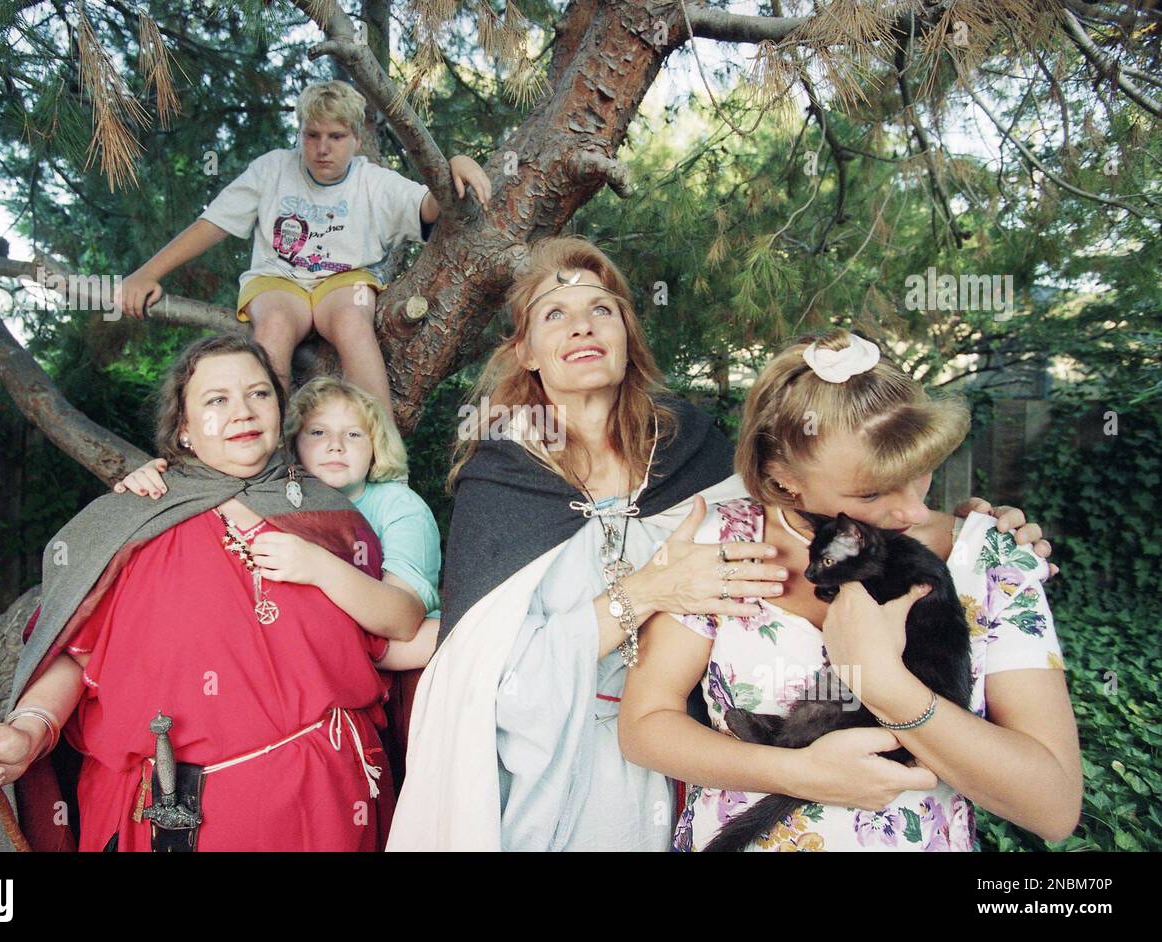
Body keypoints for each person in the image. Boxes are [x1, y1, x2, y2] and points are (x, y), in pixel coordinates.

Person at [385, 237, 1058, 851]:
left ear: (629, 334)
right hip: (560, 764)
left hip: (690, 761)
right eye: (554, 314)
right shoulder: (501, 480)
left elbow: (837, 485)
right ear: (525, 351)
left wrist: (973, 526)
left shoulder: (692, 450)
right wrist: (646, 593)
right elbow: (489, 675)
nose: (583, 324)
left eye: (603, 309)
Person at [0, 334, 406, 851]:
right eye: (216, 400)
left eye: (259, 393)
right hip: (176, 820)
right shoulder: (129, 520)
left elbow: (385, 642)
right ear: (183, 429)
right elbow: (75, 657)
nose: (243, 412)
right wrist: (28, 734)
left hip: (330, 805)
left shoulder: (329, 518)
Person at [618, 329, 1081, 851]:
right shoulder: (723, 542)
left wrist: (886, 684)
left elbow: (1054, 808)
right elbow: (645, 726)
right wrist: (798, 773)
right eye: (871, 492)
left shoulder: (992, 558)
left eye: (920, 472)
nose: (910, 511)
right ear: (783, 475)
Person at [116, 80, 492, 410]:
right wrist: (148, 273)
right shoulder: (273, 169)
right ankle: (271, 457)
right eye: (312, 135)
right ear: (300, 134)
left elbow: (427, 205)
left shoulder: (373, 181)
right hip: (278, 280)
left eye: (336, 137)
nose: (322, 148)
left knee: (352, 323)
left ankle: (383, 455)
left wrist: (452, 165)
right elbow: (212, 225)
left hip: (344, 281)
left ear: (357, 139)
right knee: (275, 326)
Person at [116, 375, 441, 672]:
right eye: (317, 432)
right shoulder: (269, 493)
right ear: (292, 445)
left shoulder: (399, 506)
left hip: (386, 661)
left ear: (375, 448)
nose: (335, 445)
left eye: (354, 434)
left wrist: (318, 566)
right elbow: (208, 478)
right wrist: (153, 478)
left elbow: (403, 623)